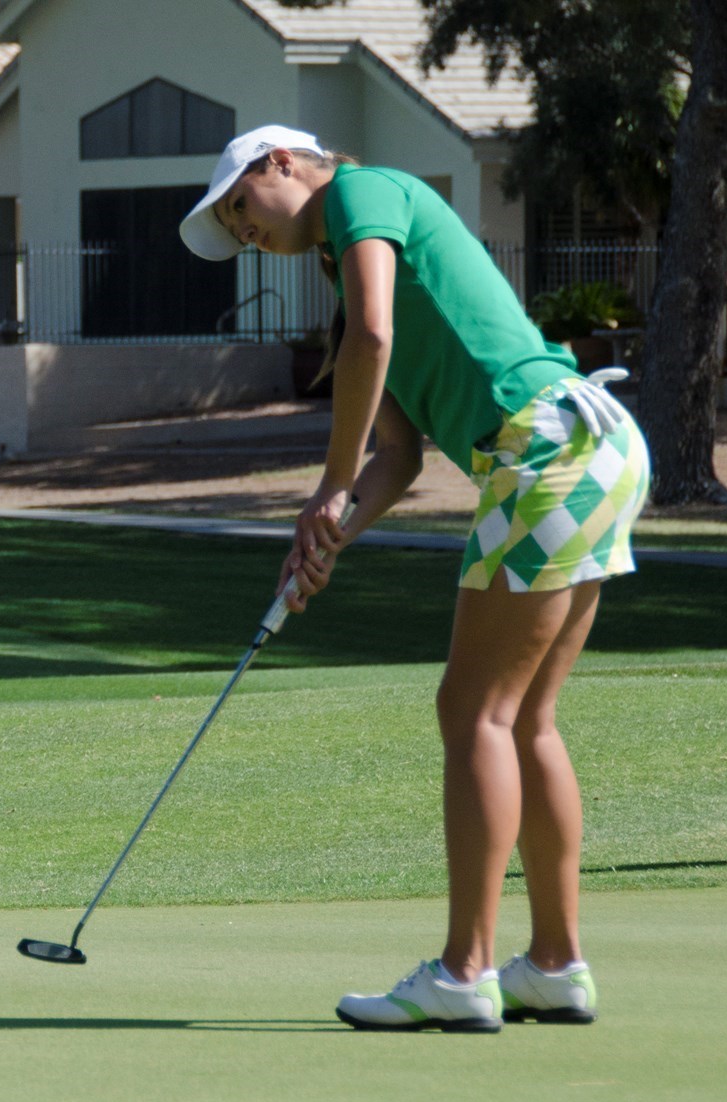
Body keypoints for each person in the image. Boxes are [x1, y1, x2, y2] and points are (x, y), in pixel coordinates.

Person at [179, 126, 651, 1032]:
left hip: (545, 449)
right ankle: (552, 964)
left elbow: (377, 336)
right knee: (524, 719)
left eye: (240, 205)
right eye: (231, 225)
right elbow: (395, 457)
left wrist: (323, 487)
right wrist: (332, 534)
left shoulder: (361, 195)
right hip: (594, 448)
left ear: (283, 164)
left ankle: (465, 971)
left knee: (472, 711)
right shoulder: (346, 261)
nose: (242, 230)